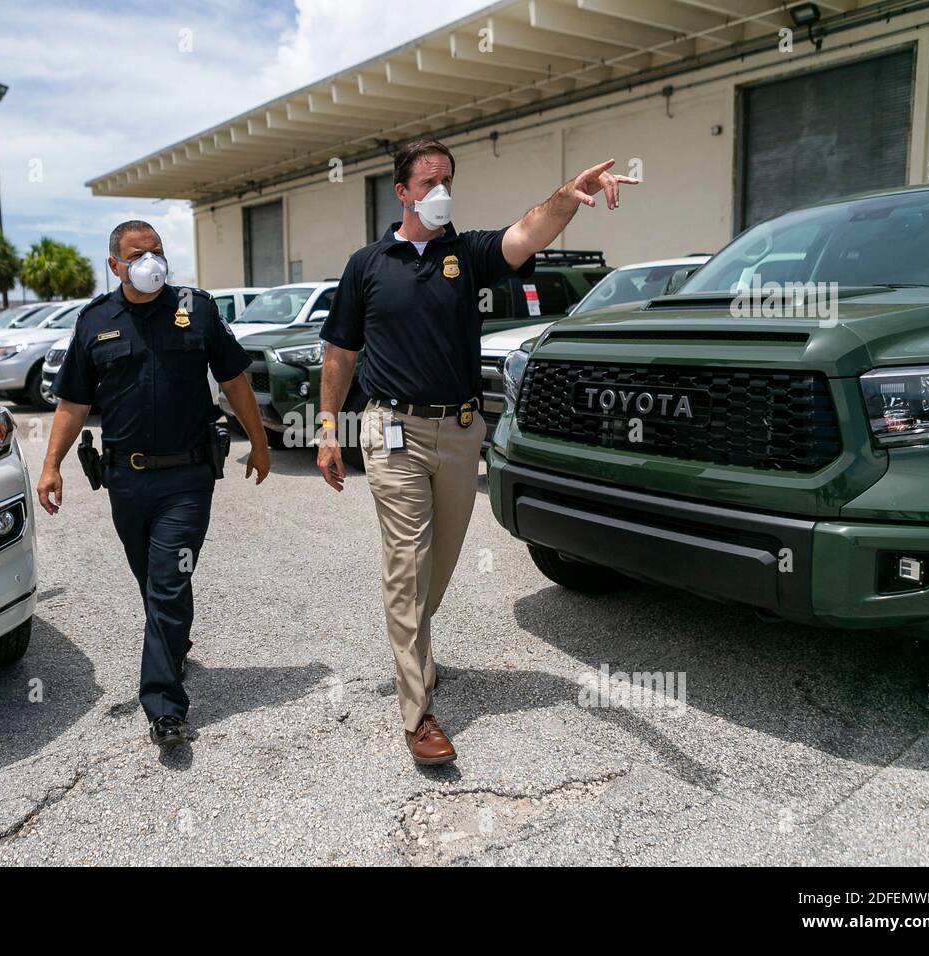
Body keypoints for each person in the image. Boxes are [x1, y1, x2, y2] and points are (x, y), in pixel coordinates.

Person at [315, 140, 637, 765]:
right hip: (390, 431)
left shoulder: (466, 253)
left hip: (461, 432)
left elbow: (526, 234)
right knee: (406, 562)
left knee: (440, 561)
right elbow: (340, 353)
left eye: (448, 180)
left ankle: (415, 644)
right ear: (402, 192)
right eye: (429, 181)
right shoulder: (366, 265)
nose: (441, 191)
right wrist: (327, 426)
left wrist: (568, 199)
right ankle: (418, 714)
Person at [37, 220, 271, 750]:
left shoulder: (199, 308)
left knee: (167, 582)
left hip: (188, 477)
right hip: (125, 478)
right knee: (155, 582)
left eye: (159, 251)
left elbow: (234, 379)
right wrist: (51, 464)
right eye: (139, 254)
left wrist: (259, 442)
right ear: (116, 265)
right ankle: (175, 643)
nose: (152, 262)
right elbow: (73, 402)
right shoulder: (95, 320)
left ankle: (164, 705)